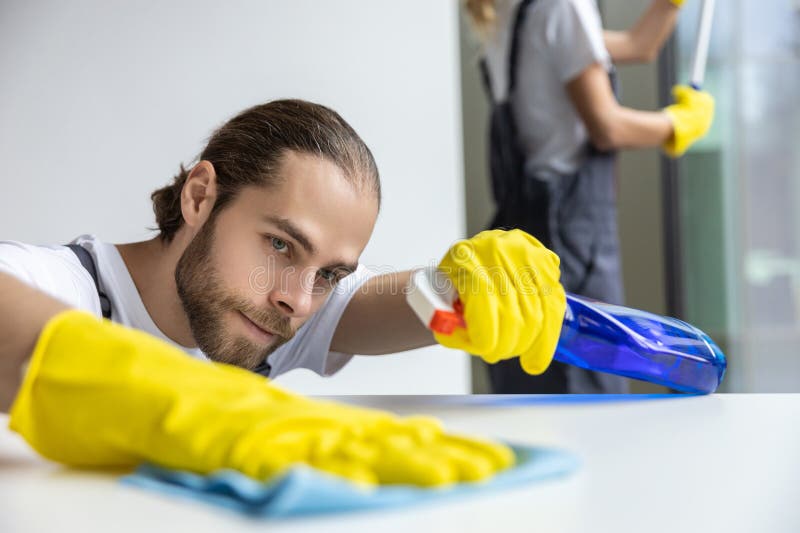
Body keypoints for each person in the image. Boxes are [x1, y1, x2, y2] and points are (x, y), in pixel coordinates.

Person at [0, 99, 566, 485]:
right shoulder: (63, 285)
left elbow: (403, 299)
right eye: (279, 245)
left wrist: (458, 287)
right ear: (199, 197)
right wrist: (156, 393)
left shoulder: (270, 317)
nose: (297, 301)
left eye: (329, 274)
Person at [464, 0, 714, 393]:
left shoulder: (512, 12)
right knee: (587, 386)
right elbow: (607, 127)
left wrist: (670, 6)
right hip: (570, 239)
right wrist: (677, 124)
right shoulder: (561, 6)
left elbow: (638, 45)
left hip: (520, 233)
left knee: (533, 382)